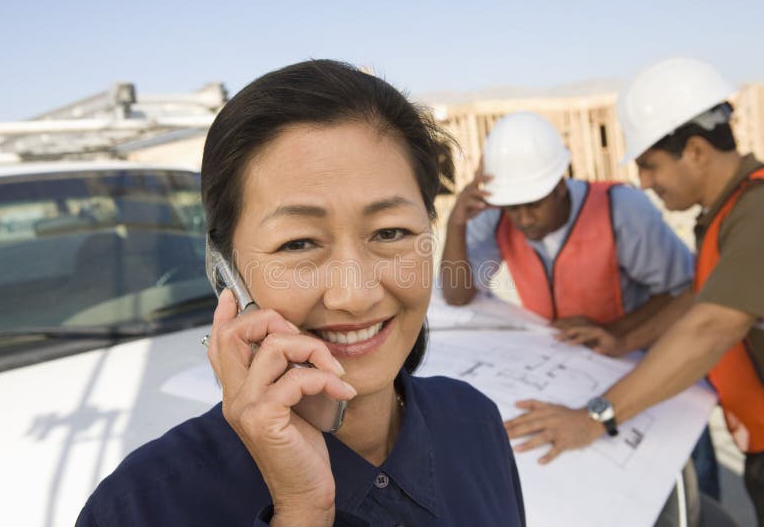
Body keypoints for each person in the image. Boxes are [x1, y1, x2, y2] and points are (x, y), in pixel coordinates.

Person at [75, 60, 525, 526]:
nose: (355, 296)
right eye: (298, 243)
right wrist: (302, 510)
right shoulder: (142, 508)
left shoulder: (475, 424)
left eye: (390, 232)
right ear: (224, 271)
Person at [504, 57, 764, 526]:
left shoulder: (757, 213)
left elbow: (711, 326)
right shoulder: (728, 214)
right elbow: (702, 296)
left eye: (650, 165)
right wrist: (624, 337)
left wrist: (594, 417)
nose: (643, 182)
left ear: (698, 152)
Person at [439, 111, 720, 498]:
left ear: (559, 183)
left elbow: (687, 292)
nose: (523, 218)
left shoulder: (622, 211)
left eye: (532, 203)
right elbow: (456, 293)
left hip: (655, 373)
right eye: (512, 206)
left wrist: (620, 332)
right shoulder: (500, 217)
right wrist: (457, 221)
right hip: (579, 373)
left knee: (690, 488)